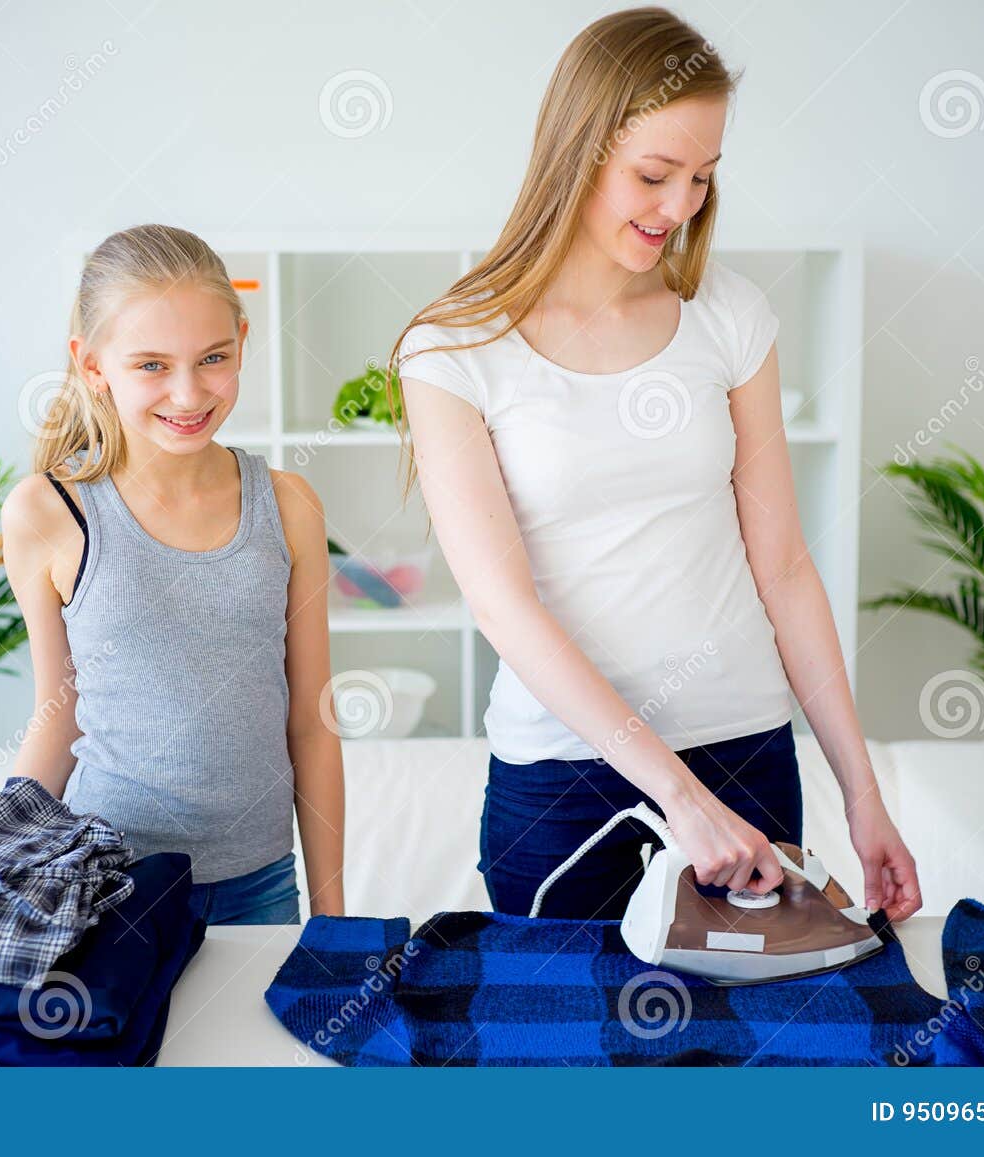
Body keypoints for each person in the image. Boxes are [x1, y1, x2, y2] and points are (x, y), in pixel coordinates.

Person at [392, 8, 921, 923]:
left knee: (753, 1020)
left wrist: (863, 795)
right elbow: (504, 605)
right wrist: (678, 796)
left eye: (703, 177)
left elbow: (784, 567)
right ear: (578, 149)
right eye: (653, 174)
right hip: (562, 778)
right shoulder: (452, 348)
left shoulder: (731, 316)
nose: (679, 207)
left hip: (746, 750)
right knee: (562, 1018)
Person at [0, 223, 345, 925]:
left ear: (242, 341)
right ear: (93, 365)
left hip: (260, 885)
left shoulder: (288, 505)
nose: (188, 394)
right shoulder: (47, 513)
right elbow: (58, 717)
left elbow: (312, 722)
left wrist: (332, 918)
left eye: (213, 358)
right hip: (108, 883)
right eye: (151, 365)